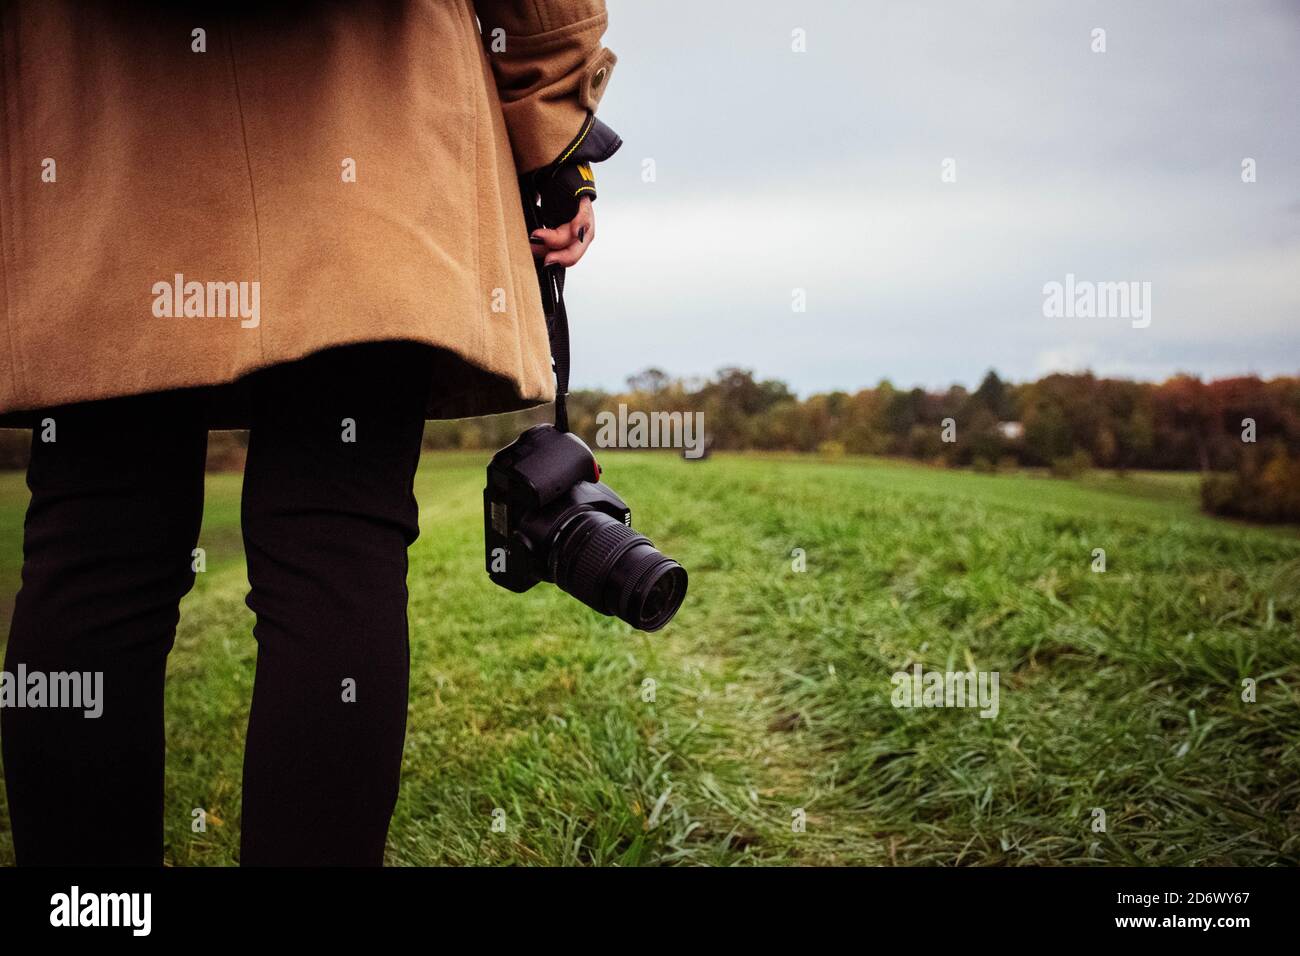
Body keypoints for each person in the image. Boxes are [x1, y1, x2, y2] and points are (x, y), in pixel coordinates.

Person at [0, 0, 620, 866]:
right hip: (368, 121)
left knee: (95, 545)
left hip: (100, 118)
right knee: (336, 541)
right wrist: (552, 126)